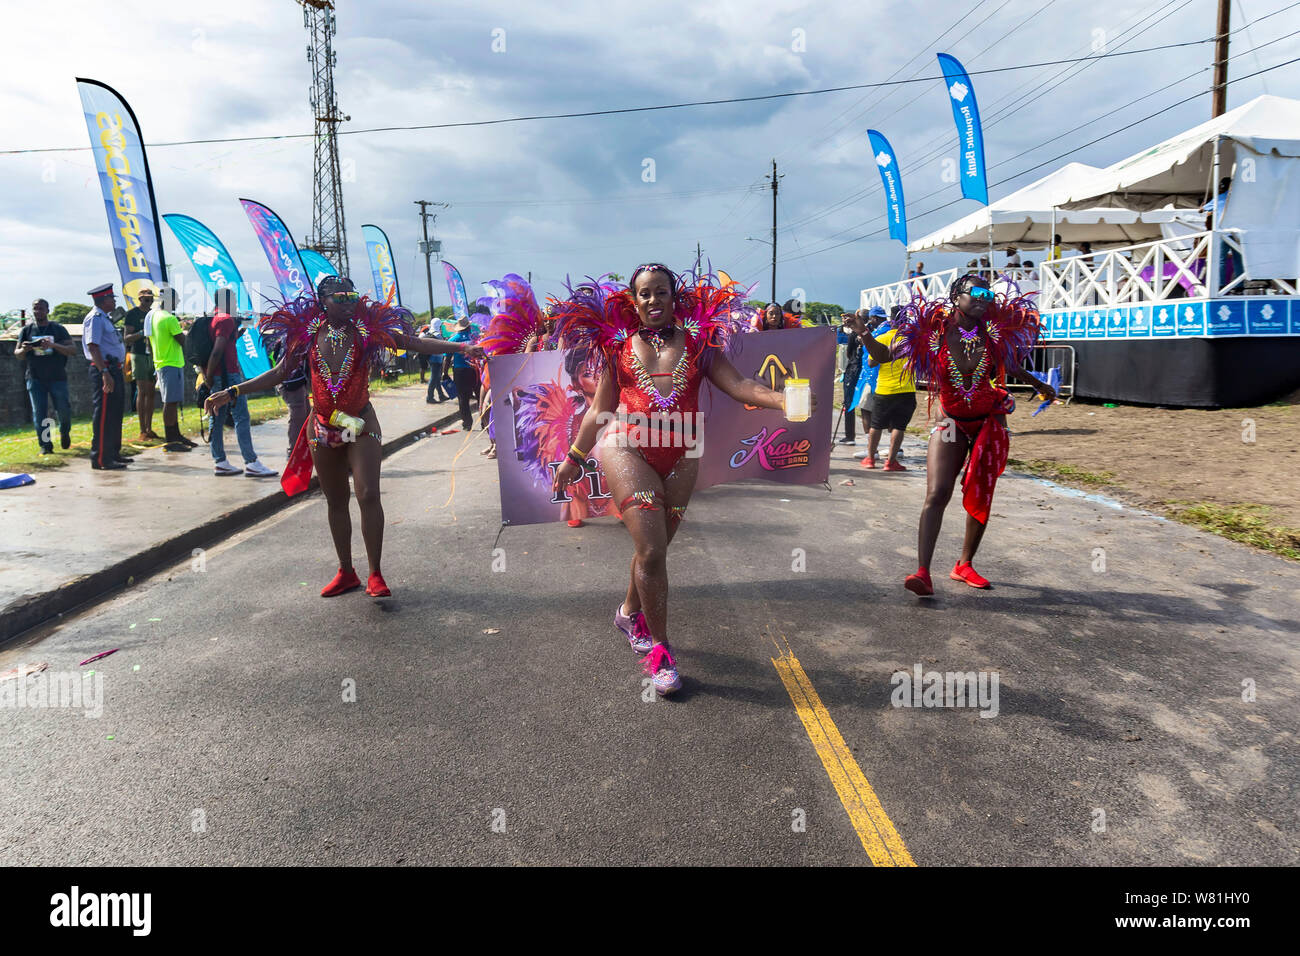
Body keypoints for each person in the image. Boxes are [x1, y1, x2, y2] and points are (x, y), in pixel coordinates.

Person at [552, 264, 800, 696]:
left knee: (656, 548)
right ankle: (660, 653)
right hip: (626, 445)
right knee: (650, 551)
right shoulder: (616, 347)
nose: (653, 301)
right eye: (644, 294)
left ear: (674, 296)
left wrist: (784, 399)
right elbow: (599, 409)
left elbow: (740, 385)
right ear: (633, 301)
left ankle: (629, 612)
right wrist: (574, 456)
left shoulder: (701, 346)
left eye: (661, 292)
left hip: (684, 453)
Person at [205, 275, 482, 598]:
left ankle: (375, 573)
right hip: (322, 427)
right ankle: (346, 571)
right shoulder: (306, 335)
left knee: (367, 494)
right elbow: (280, 372)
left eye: (353, 297)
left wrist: (463, 346)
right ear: (324, 301)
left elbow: (415, 344)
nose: (350, 303)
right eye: (342, 298)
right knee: (336, 501)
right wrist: (233, 390)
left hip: (361, 424)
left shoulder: (368, 332)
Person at [853, 273, 1054, 596]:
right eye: (975, 293)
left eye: (988, 295)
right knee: (937, 493)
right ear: (955, 296)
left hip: (989, 422)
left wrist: (1039, 384)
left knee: (981, 494)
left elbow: (1011, 367)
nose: (983, 299)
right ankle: (922, 572)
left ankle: (964, 564)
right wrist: (864, 334)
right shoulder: (931, 335)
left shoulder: (993, 336)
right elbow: (883, 356)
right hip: (951, 423)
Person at [204, 289, 276, 478]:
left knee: (217, 418)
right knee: (241, 418)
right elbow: (217, 350)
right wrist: (209, 377)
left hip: (220, 376)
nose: (236, 304)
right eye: (234, 300)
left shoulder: (215, 317)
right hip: (228, 377)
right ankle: (251, 462)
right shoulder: (226, 319)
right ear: (227, 301)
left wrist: (239, 331)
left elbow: (223, 343)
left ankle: (220, 461)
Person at [14, 298, 75, 454]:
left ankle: (64, 432)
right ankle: (46, 446)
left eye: (41, 308)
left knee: (63, 411)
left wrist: (53, 345)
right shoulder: (27, 331)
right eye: (35, 308)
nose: (37, 311)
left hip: (57, 377)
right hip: (35, 378)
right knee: (40, 414)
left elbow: (72, 350)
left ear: (47, 310)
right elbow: (18, 353)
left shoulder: (58, 329)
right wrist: (25, 349)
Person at [82, 283, 129, 471]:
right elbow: (93, 347)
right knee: (103, 414)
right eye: (112, 298)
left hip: (114, 369)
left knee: (115, 413)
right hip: (104, 370)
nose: (114, 301)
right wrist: (104, 373)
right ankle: (101, 458)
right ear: (103, 300)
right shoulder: (95, 318)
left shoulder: (106, 318)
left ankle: (113, 453)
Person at [863, 307, 916, 472]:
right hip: (907, 390)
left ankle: (870, 459)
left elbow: (872, 363)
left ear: (891, 320)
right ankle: (890, 462)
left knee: (876, 425)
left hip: (885, 390)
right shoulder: (913, 339)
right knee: (899, 427)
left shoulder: (883, 337)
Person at [147, 285, 197, 453]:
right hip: (171, 363)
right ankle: (171, 440)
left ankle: (176, 436)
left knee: (172, 401)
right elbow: (184, 342)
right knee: (170, 402)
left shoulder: (155, 316)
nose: (178, 302)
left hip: (163, 362)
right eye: (176, 299)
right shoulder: (168, 318)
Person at [122, 288, 158, 442]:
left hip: (154, 354)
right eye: (145, 299)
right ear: (140, 299)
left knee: (151, 393)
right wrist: (142, 333)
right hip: (138, 354)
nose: (148, 302)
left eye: (150, 299)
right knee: (142, 392)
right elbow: (127, 338)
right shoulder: (132, 314)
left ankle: (149, 429)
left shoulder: (154, 314)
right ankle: (142, 430)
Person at [448, 317, 479, 430]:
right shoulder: (476, 338)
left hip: (460, 371)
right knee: (480, 396)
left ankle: (467, 424)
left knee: (463, 398)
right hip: (476, 370)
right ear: (469, 326)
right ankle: (484, 422)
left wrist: (445, 373)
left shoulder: (453, 339)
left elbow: (447, 358)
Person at [837, 313, 862, 445]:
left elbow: (849, 353)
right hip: (859, 370)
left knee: (849, 402)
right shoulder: (870, 333)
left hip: (853, 369)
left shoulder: (854, 334)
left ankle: (850, 435)